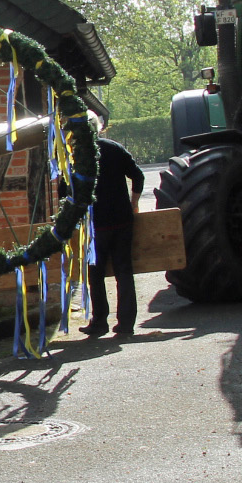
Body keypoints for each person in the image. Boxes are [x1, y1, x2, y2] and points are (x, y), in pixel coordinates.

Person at [83, 114, 145, 338]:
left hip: (95, 225)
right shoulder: (114, 148)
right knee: (124, 272)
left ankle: (99, 322)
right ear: (98, 127)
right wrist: (134, 203)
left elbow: (65, 190)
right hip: (122, 220)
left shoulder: (76, 155)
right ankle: (126, 324)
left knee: (95, 275)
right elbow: (138, 176)